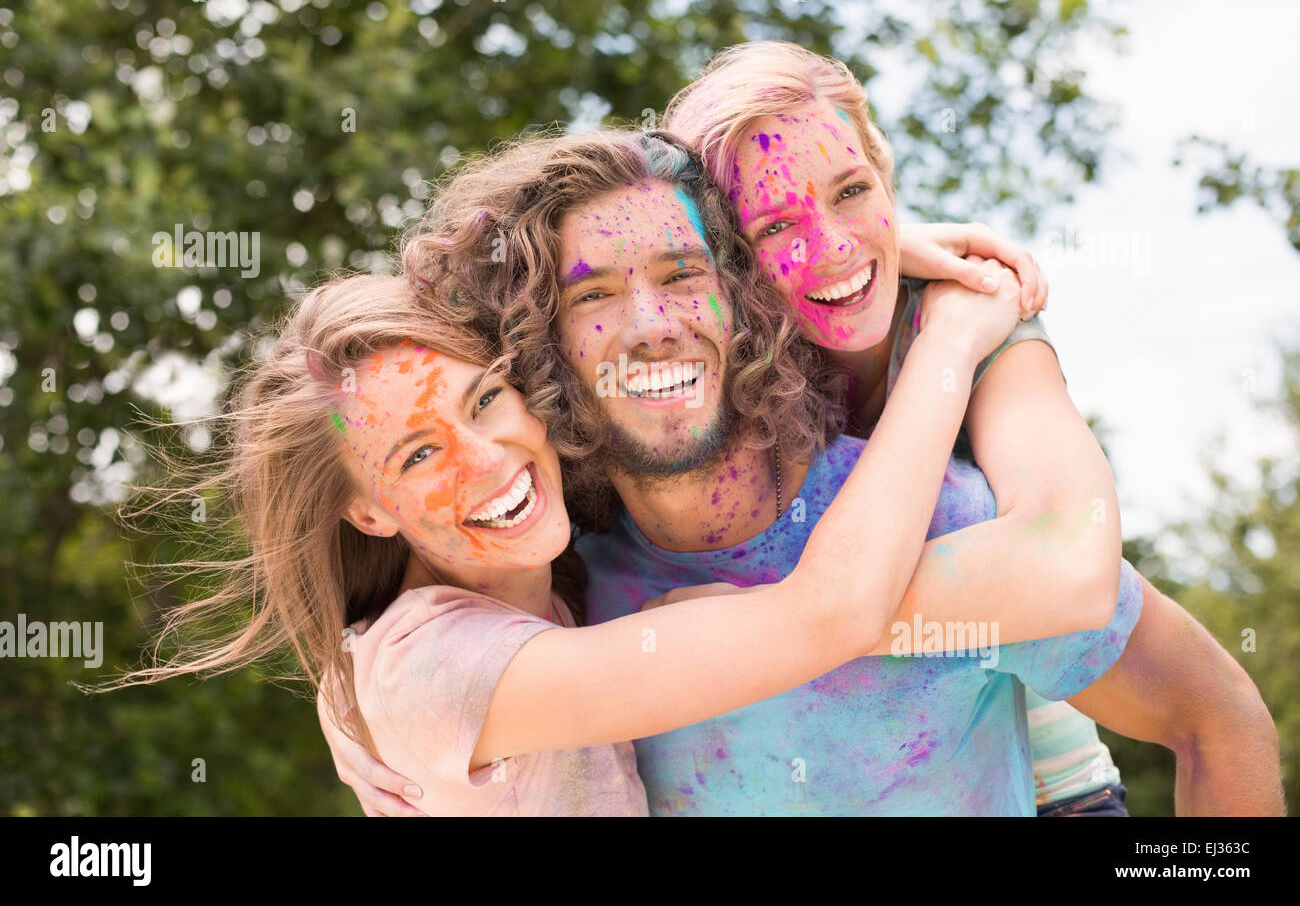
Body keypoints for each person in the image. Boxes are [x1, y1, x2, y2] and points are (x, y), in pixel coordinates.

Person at [324, 126, 1280, 815]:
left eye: (682, 274)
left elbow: (1220, 722)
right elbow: (411, 354)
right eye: (595, 295)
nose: (652, 321)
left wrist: (926, 283)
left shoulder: (951, 523)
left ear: (742, 299)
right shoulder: (557, 580)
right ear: (538, 342)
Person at [102, 267, 1092, 815]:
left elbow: (609, 268)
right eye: (416, 454)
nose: (488, 460)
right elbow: (831, 612)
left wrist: (857, 251)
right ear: (367, 511)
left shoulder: (552, 555)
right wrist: (952, 347)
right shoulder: (430, 665)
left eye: (486, 398)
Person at [660, 39, 1131, 813]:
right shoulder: (704, 367)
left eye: (853, 190)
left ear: (886, 180)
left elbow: (1073, 566)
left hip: (1049, 788)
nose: (833, 246)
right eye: (775, 225)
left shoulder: (970, 316)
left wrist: (768, 627)